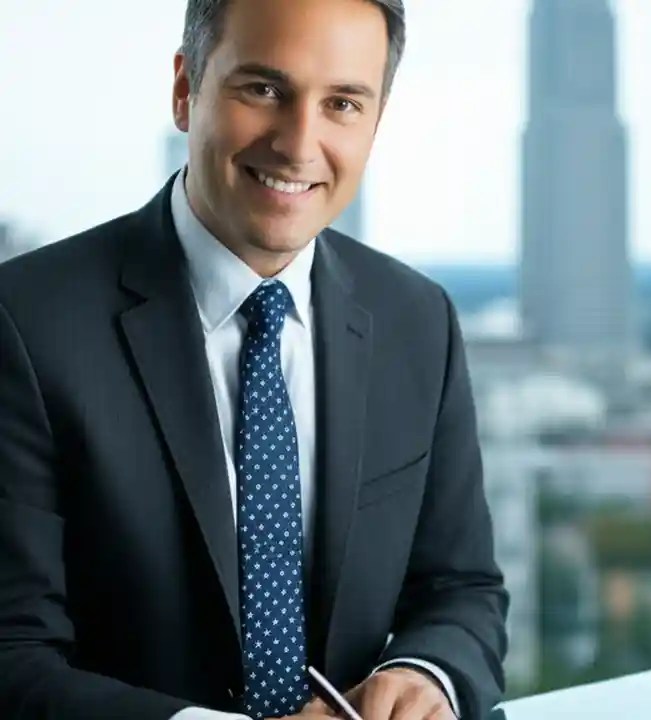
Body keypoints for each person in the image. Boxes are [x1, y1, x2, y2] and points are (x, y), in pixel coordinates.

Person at [0, 0, 508, 718]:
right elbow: (12, 656)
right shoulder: (25, 323)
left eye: (342, 103)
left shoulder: (417, 320)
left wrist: (426, 675)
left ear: (376, 121)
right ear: (186, 88)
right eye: (264, 90)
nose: (300, 144)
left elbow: (462, 590)